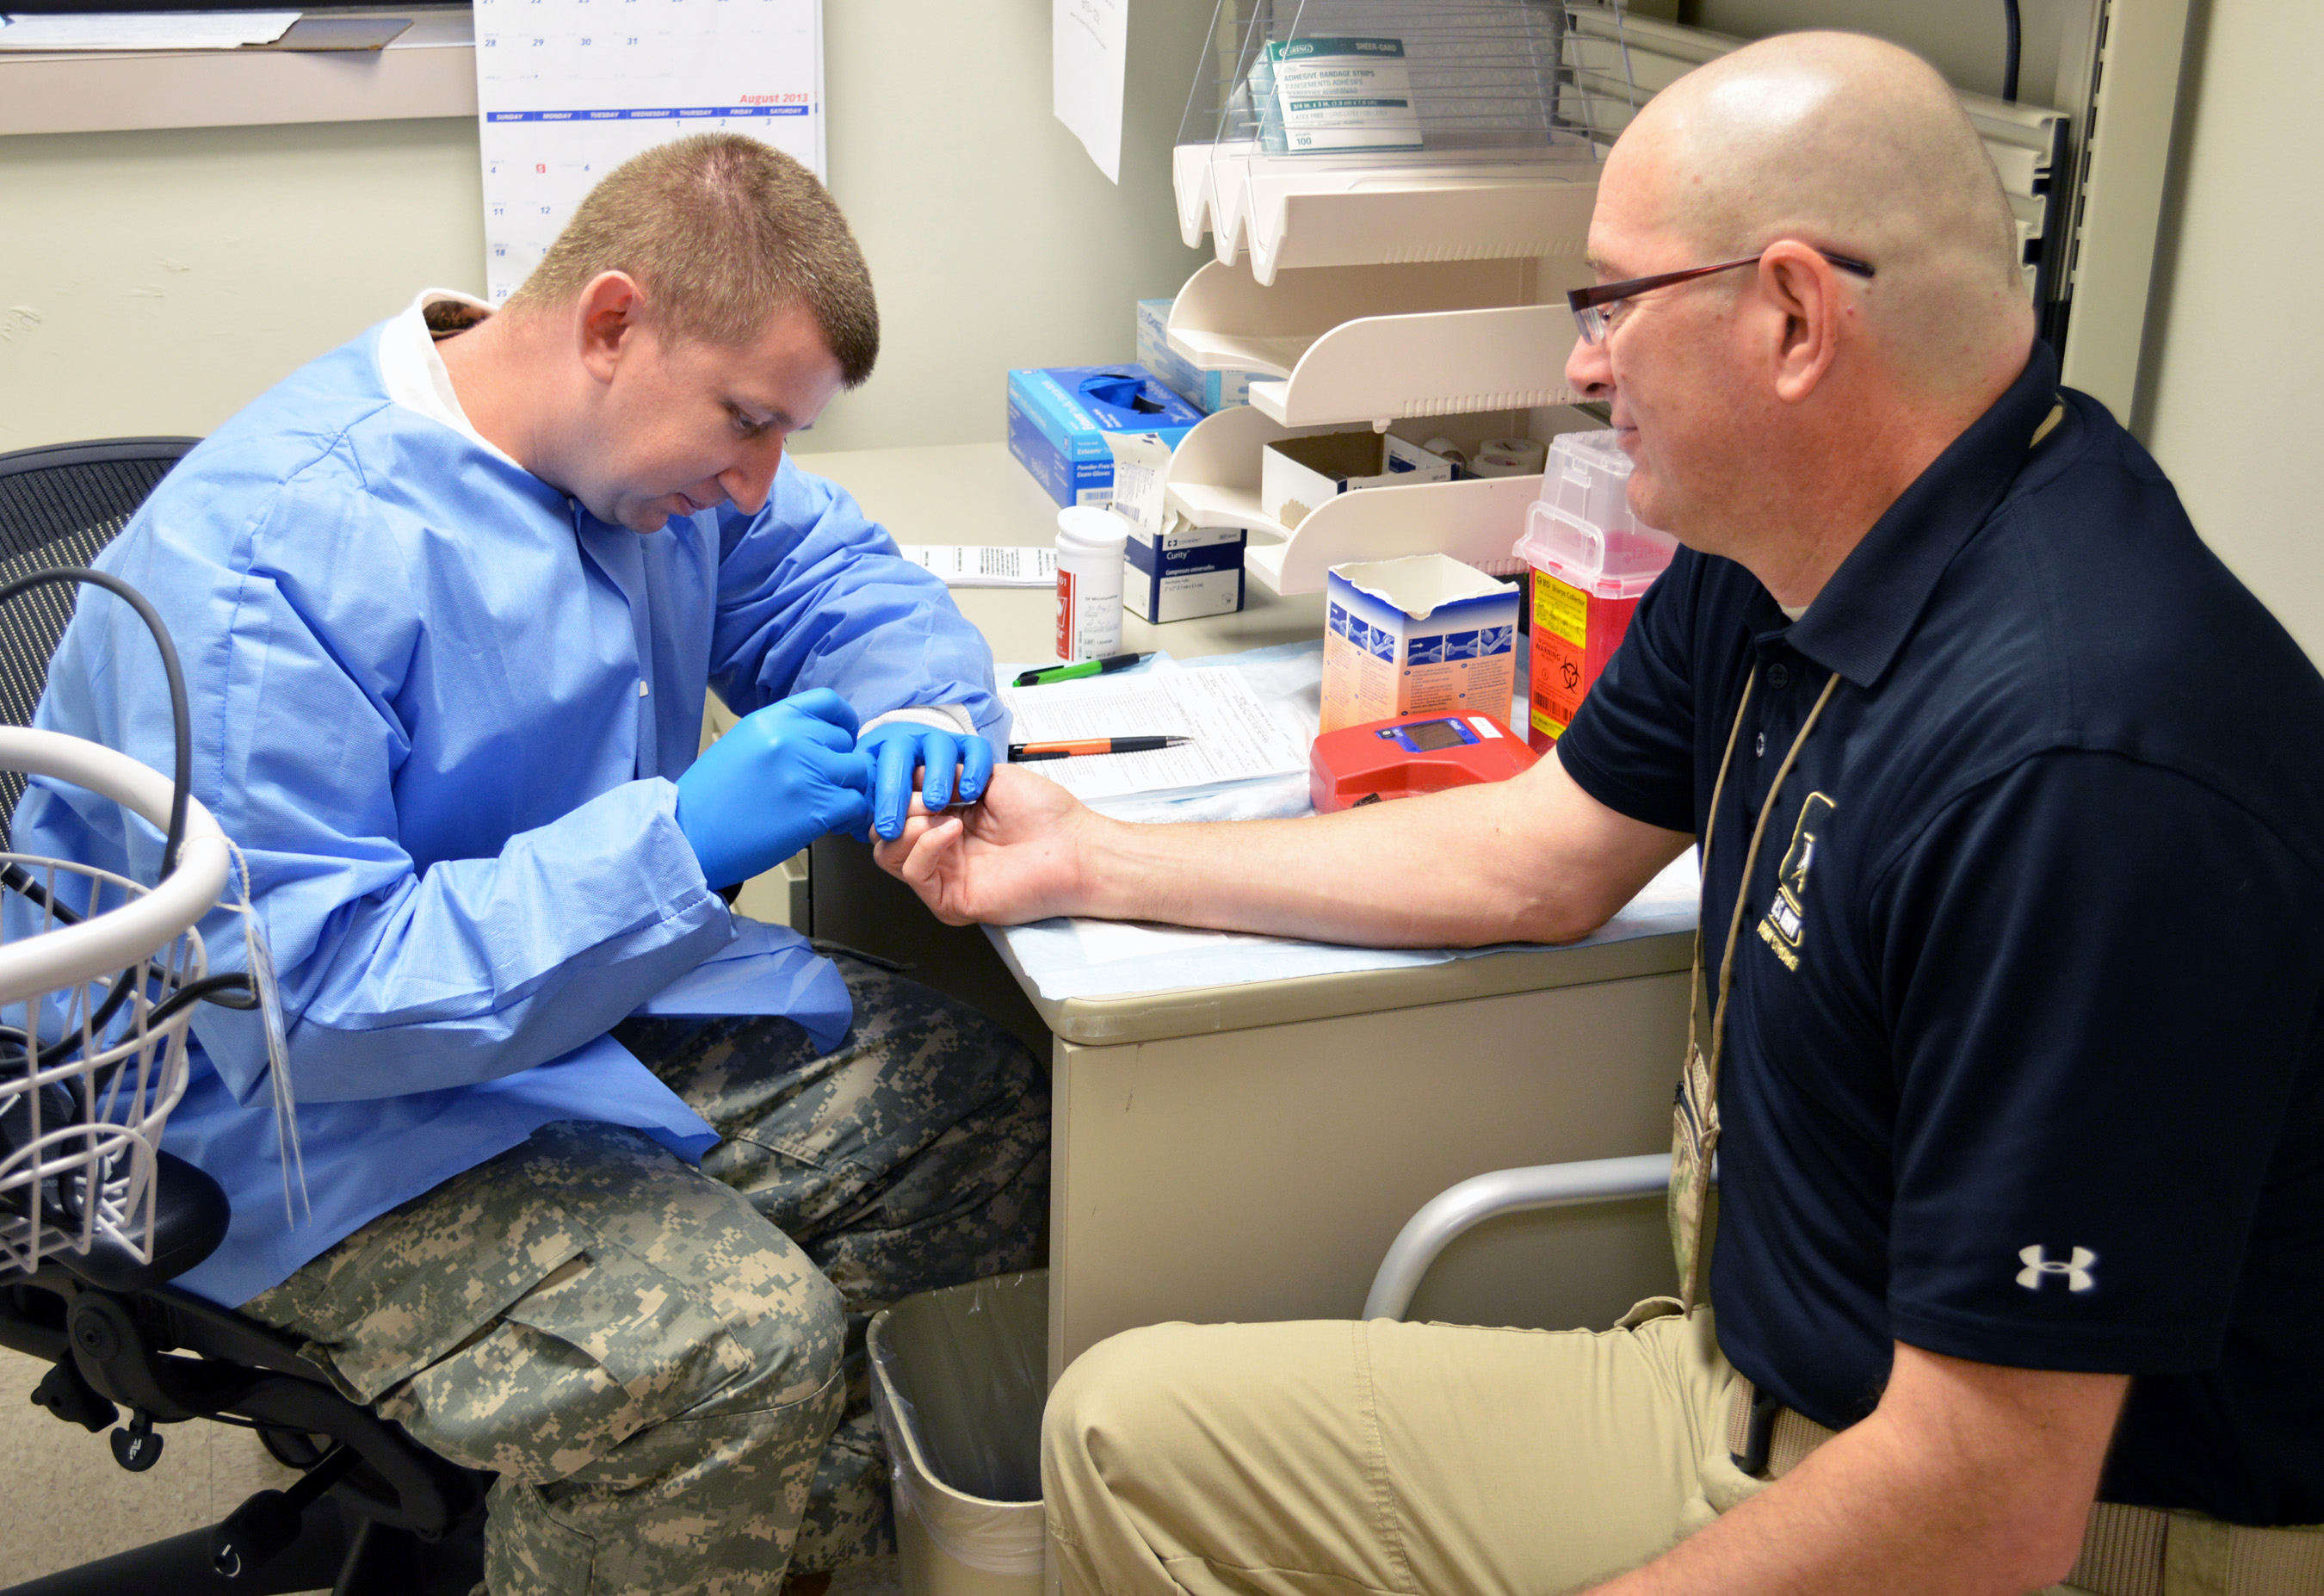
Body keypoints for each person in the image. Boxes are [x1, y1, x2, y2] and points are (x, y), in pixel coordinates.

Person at [875, 32, 2324, 1596]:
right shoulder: (1781, 549)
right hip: (1748, 1388)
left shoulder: (2081, 774)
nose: (1582, 361)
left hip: (2023, 1528)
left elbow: (1987, 1505)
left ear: (1790, 315)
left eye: (1613, 302)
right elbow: (1537, 856)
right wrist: (1096, 855)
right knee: (1116, 1435)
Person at [15, 134, 1047, 1595]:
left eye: (784, 437)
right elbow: (307, 1003)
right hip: (262, 1115)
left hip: (537, 1002)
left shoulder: (636, 462)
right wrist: (676, 845)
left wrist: (925, 703)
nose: (757, 484)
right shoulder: (277, 564)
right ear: (613, 323)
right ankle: (663, 1496)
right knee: (733, 1343)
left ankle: (674, 1537)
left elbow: (833, 580)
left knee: (983, 1115)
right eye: (747, 423)